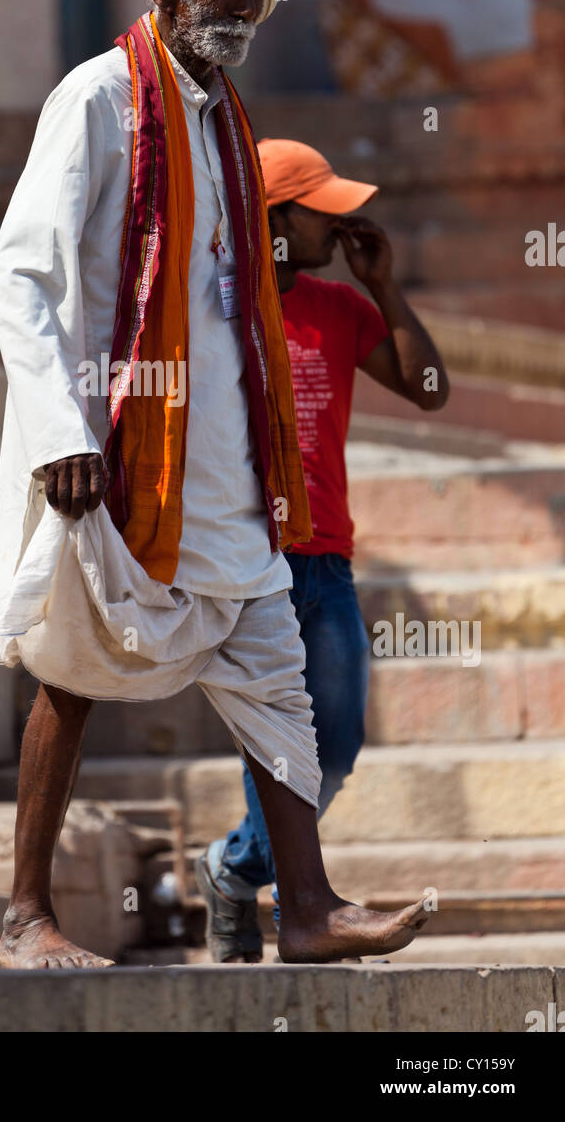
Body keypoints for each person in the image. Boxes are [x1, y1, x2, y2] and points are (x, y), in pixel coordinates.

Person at [0, 0, 429, 969]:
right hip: (112, 447)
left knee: (277, 671)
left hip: (229, 462)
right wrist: (62, 437)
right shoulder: (94, 99)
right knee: (71, 674)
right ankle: (25, 917)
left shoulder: (226, 122)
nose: (246, 7)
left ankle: (309, 908)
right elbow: (23, 276)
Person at [198, 138, 450, 962]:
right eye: (324, 211)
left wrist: (381, 282)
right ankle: (297, 910)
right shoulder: (216, 307)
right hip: (249, 558)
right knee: (275, 741)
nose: (342, 224)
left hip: (328, 562)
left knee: (334, 748)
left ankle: (235, 869)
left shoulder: (341, 310)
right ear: (273, 219)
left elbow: (430, 390)